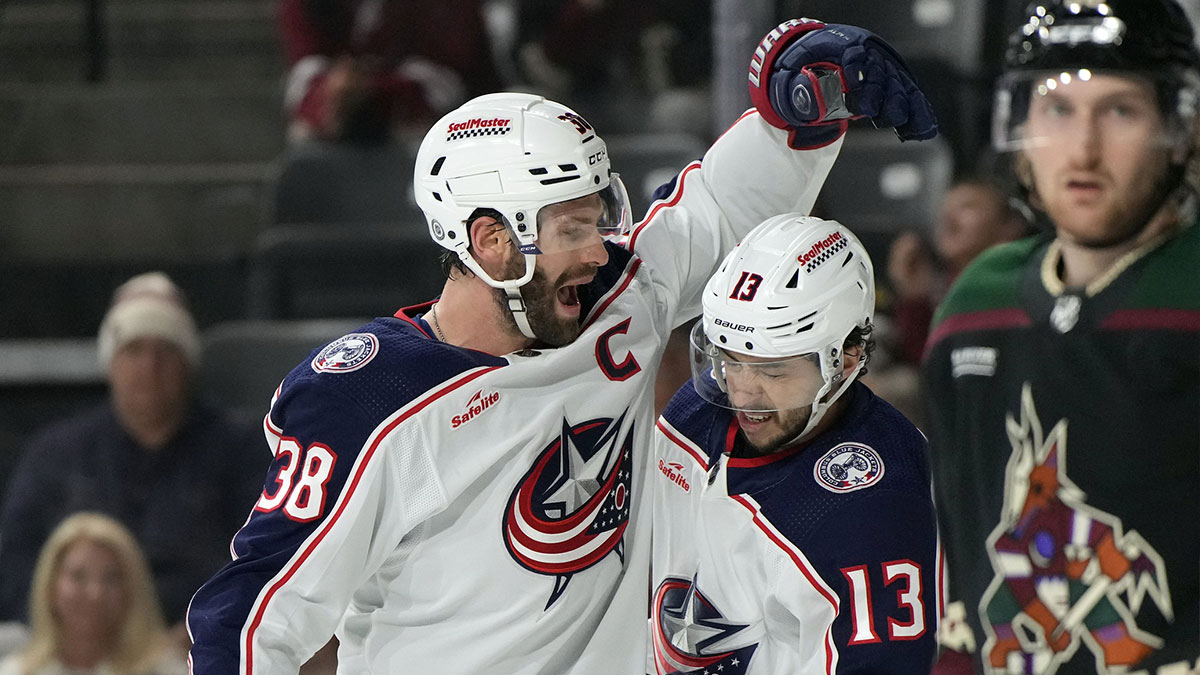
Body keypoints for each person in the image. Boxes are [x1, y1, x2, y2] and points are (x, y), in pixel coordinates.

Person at [185, 17, 939, 674]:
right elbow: (251, 617)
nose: (597, 249)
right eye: (573, 227)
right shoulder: (368, 397)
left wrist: (799, 113)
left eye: (597, 219)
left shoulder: (609, 299)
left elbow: (712, 211)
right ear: (491, 241)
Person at [922, 1, 1200, 673]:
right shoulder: (974, 305)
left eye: (1120, 111)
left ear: (1181, 127)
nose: (1083, 150)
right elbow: (960, 554)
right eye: (1058, 109)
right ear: (1020, 125)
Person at [650, 215, 940, 674]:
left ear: (846, 360)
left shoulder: (877, 509)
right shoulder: (698, 410)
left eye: (772, 370)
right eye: (731, 360)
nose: (742, 394)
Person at [0, 272, 265, 636]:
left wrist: (205, 631)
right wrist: (64, 629)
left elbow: (265, 559)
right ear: (111, 363)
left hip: (198, 644)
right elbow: (14, 562)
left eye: (166, 350)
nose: (150, 367)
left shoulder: (243, 452)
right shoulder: (55, 454)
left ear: (188, 363)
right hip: (73, 644)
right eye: (134, 350)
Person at [280, 0, 503, 143]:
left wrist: (370, 93)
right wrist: (329, 94)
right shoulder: (306, 6)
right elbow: (303, 70)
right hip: (336, 131)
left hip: (446, 134)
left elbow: (450, 79)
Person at [0, 512, 187, 675]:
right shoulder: (15, 671)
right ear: (50, 585)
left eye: (111, 578)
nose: (95, 594)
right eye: (78, 576)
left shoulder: (166, 671)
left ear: (132, 589)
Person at [886, 178, 1031, 366]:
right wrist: (915, 298)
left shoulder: (1028, 287)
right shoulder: (938, 292)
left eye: (967, 207)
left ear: (1010, 225)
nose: (948, 218)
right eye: (945, 209)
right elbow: (931, 366)